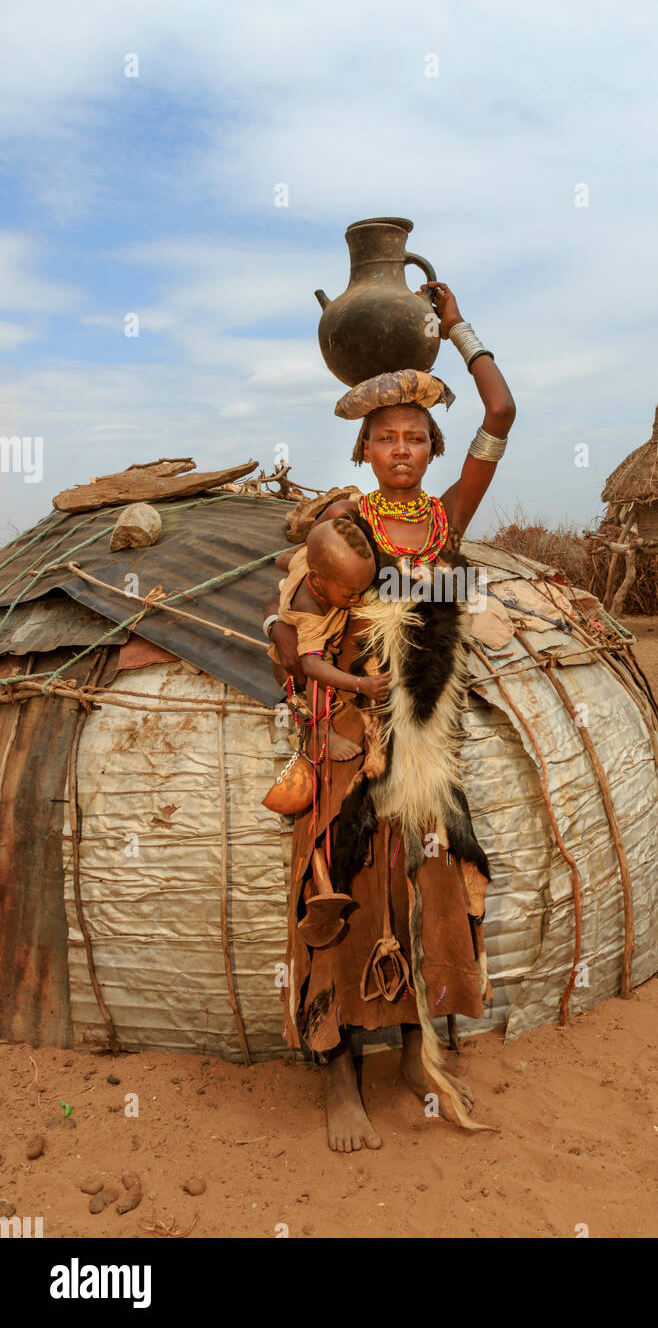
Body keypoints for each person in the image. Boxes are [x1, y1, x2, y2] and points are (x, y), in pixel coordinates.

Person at [265, 281, 516, 1152]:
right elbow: (292, 633)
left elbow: (503, 408)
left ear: (430, 448)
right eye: (386, 437)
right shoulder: (344, 526)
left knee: (434, 888)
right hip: (344, 746)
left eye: (415, 438)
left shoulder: (446, 521)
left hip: (422, 742)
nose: (402, 449)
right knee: (340, 895)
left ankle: (416, 1051)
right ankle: (340, 1075)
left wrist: (457, 327)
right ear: (365, 448)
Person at [264, 515, 389, 760]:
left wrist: (287, 559)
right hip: (296, 665)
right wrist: (360, 684)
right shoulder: (310, 611)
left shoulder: (308, 562)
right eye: (351, 595)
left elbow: (290, 559)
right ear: (317, 581)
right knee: (320, 669)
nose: (359, 599)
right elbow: (310, 665)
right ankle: (324, 734)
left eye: (363, 591)